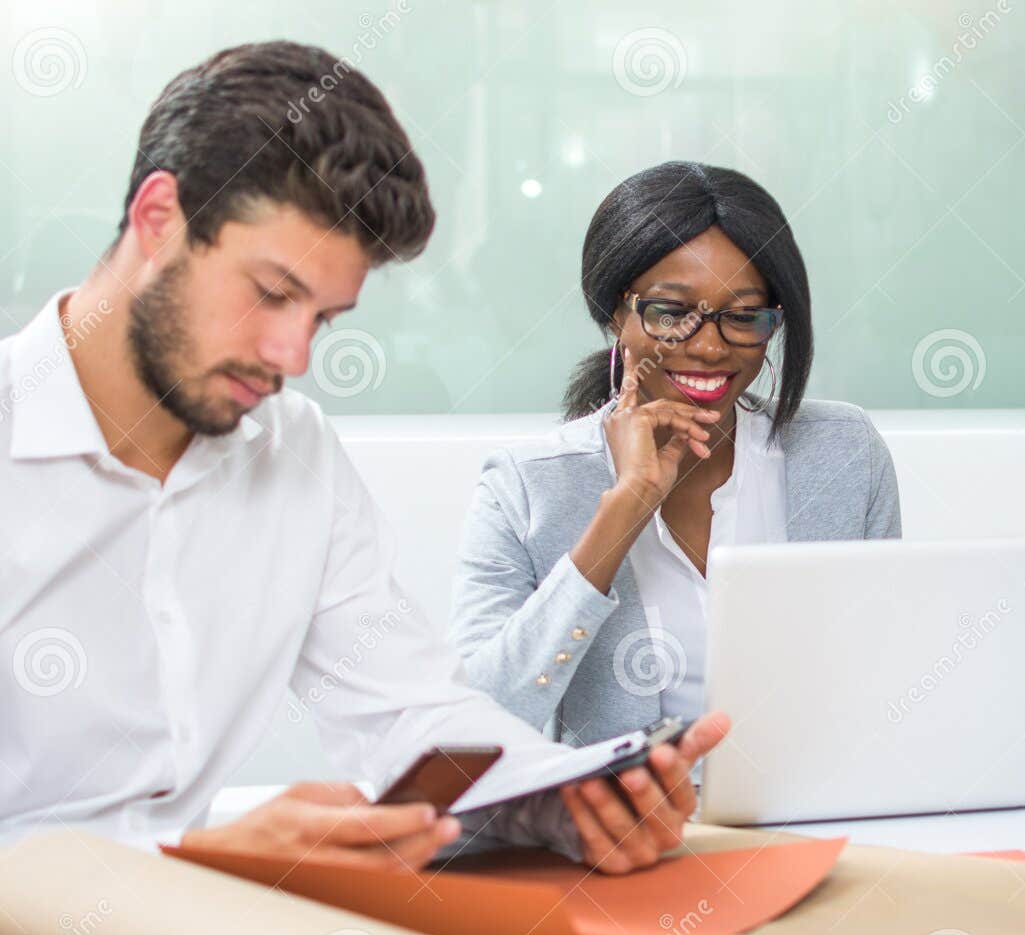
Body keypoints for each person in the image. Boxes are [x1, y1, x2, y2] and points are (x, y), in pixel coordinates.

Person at [0, 41, 730, 879]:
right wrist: (181, 861)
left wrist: (561, 802)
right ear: (159, 219)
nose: (292, 355)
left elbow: (410, 712)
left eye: (322, 319)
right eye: (272, 293)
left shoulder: (294, 449)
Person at [450, 162, 900, 745]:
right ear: (617, 312)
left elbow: (885, 673)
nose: (710, 345)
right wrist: (624, 509)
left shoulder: (844, 454)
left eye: (744, 317)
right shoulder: (526, 486)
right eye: (671, 314)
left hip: (811, 819)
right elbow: (475, 729)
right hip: (628, 831)